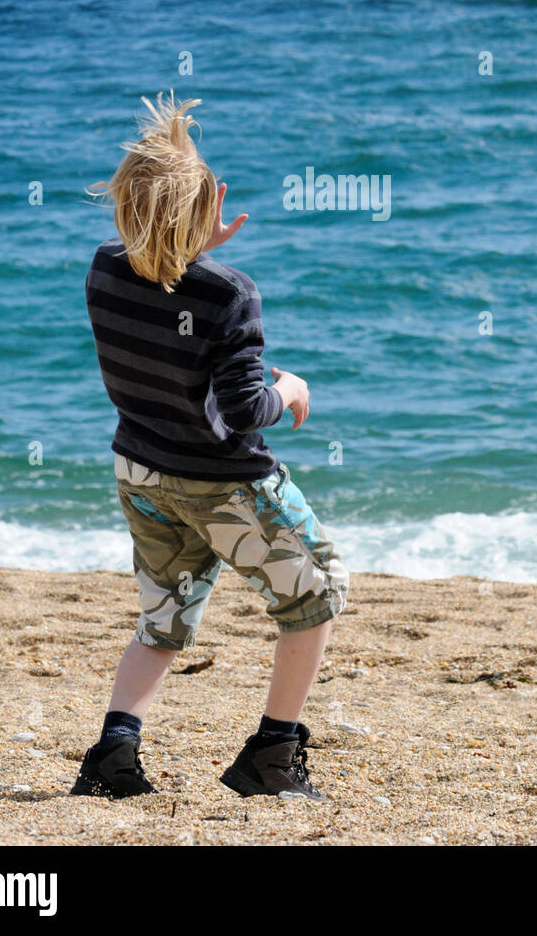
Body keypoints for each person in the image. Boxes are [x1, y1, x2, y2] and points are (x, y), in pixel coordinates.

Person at [70, 94, 348, 801]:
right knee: (313, 593)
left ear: (122, 206)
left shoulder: (104, 269)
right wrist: (291, 385)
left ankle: (114, 751)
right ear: (211, 207)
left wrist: (188, 246)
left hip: (142, 473)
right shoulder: (232, 295)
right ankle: (272, 754)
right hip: (223, 486)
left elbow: (164, 310)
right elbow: (244, 409)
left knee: (162, 617)